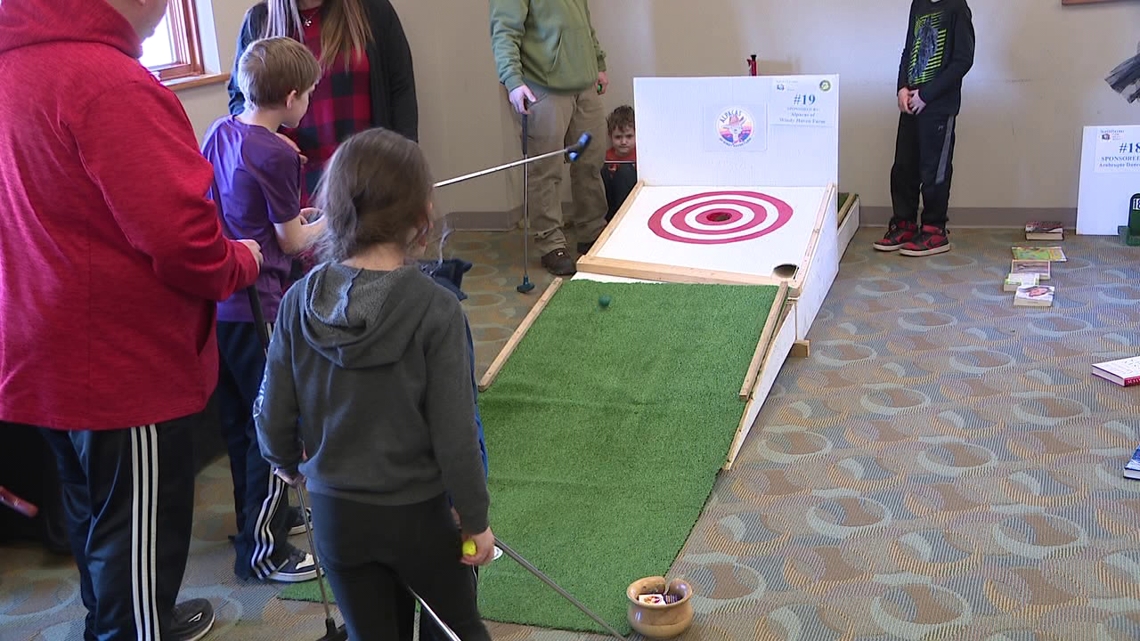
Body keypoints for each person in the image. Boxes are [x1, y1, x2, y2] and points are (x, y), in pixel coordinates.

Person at [0, 0, 263, 639]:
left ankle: (126, 617)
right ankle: (134, 625)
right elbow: (181, 241)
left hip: (38, 345)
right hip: (120, 366)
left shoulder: (16, 64)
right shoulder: (107, 82)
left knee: (97, 521)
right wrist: (241, 263)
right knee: (134, 536)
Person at [254, 128, 495, 641]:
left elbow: (273, 410)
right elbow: (456, 432)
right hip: (420, 519)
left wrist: (284, 462)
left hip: (338, 517)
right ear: (420, 218)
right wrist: (475, 520)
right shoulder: (437, 309)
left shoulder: (297, 301)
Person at [202, 37, 328, 584]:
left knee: (239, 424)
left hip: (220, 306)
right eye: (310, 97)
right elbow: (295, 242)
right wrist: (334, 219)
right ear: (293, 96)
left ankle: (260, 519)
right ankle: (264, 551)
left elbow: (243, 210)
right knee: (273, 426)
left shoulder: (222, 129)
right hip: (260, 307)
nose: (310, 106)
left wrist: (298, 216)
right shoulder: (277, 151)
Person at [228, 0, 418, 206]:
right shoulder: (258, 21)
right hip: (294, 190)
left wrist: (407, 172)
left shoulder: (374, 11)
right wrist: (267, 138)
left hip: (368, 179)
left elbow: (401, 93)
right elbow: (241, 98)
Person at [490, 0, 610, 276]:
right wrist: (512, 81)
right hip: (542, 88)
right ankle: (550, 243)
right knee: (546, 171)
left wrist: (598, 62)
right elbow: (504, 31)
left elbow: (584, 25)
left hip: (585, 84)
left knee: (590, 163)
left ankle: (592, 232)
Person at [874, 0, 974, 257]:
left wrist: (927, 95)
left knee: (934, 170)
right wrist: (902, 88)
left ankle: (934, 229)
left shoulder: (956, 7)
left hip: (938, 106)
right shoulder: (918, 5)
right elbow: (908, 50)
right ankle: (904, 223)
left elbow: (963, 61)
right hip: (911, 103)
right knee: (904, 167)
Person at [602, 105, 638, 222]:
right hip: (610, 207)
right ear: (610, 136)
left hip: (631, 205)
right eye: (618, 137)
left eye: (629, 136)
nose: (623, 142)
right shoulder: (606, 157)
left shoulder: (641, 156)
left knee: (625, 170)